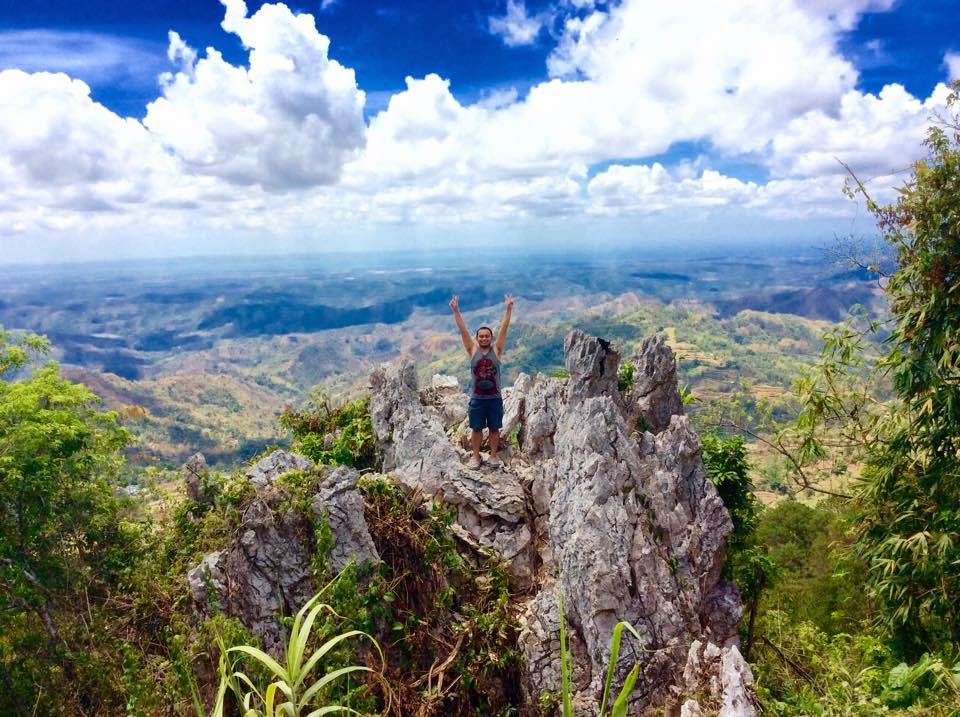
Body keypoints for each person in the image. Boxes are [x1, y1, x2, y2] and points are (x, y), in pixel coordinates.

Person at [449, 293, 513, 469]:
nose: (484, 338)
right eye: (481, 336)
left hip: (494, 398)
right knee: (476, 429)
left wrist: (508, 309)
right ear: (477, 339)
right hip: (477, 398)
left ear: (491, 339)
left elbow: (504, 329)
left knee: (494, 428)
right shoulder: (472, 350)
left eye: (487, 336)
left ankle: (493, 456)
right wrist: (456, 311)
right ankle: (475, 457)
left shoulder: (497, 350)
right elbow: (463, 330)